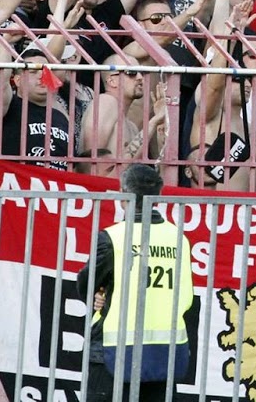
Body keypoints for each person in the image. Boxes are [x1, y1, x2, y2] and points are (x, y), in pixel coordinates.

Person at [78, 163, 195, 402]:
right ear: (158, 196)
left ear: (124, 195)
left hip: (114, 349)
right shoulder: (178, 238)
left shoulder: (113, 236)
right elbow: (185, 295)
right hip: (165, 351)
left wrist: (99, 295)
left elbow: (87, 283)